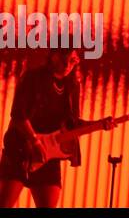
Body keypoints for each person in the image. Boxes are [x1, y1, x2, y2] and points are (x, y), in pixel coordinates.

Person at [0, 49, 110, 207]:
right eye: (64, 59)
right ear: (54, 56)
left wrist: (99, 123)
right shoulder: (33, 78)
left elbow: (72, 123)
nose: (67, 65)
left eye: (72, 61)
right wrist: (35, 141)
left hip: (48, 156)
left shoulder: (72, 86)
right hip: (20, 151)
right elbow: (18, 115)